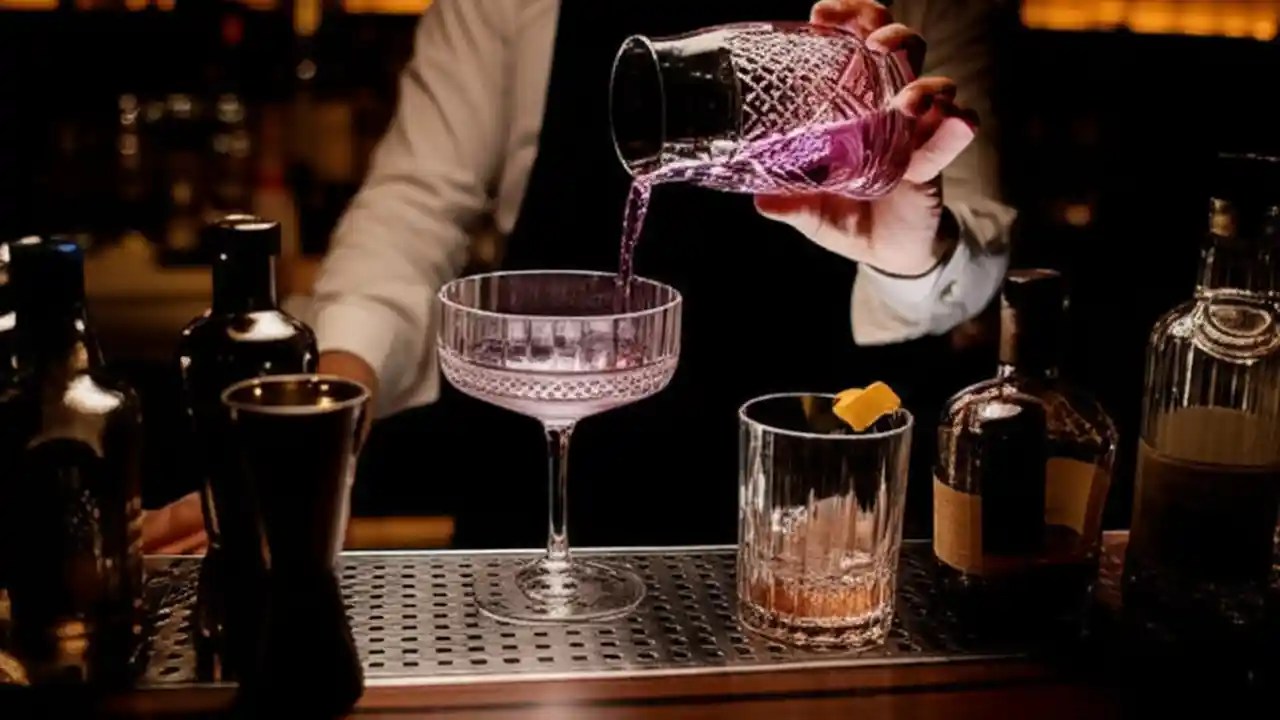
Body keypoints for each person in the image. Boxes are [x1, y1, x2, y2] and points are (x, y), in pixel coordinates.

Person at [144, 0, 1016, 552]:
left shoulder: (885, 28)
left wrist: (908, 244)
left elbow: (971, 272)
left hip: (808, 503)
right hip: (528, 486)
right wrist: (322, 420)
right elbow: (415, 207)